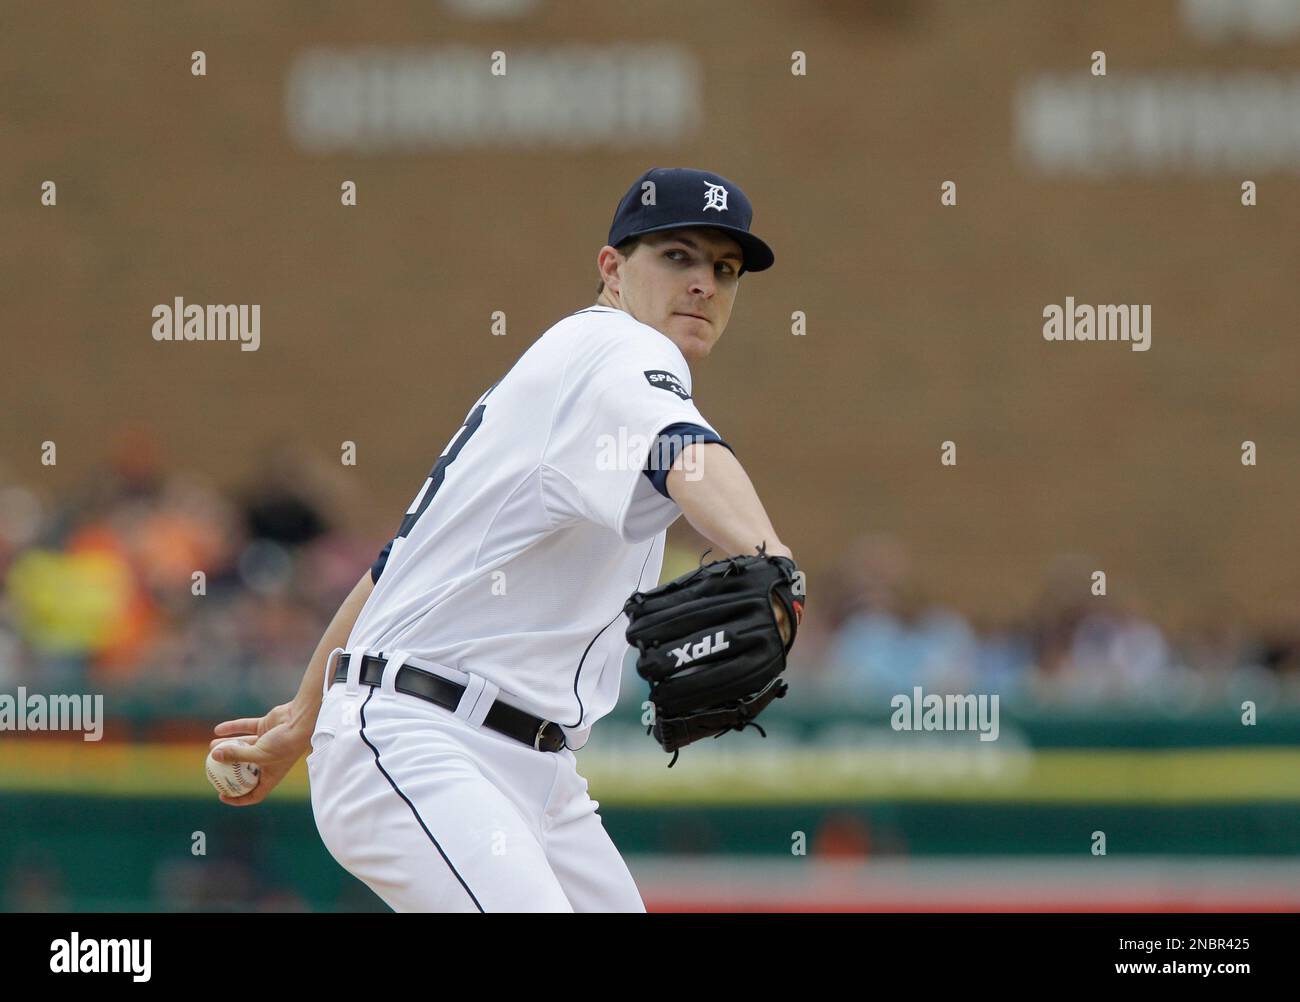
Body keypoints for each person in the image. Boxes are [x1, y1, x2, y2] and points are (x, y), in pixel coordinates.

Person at [211, 167, 795, 912]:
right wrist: (772, 557)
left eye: (725, 269)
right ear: (612, 269)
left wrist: (301, 717)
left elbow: (399, 565)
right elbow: (683, 449)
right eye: (677, 257)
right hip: (428, 743)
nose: (704, 285)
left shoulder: (575, 383)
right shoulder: (613, 348)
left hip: (533, 773)